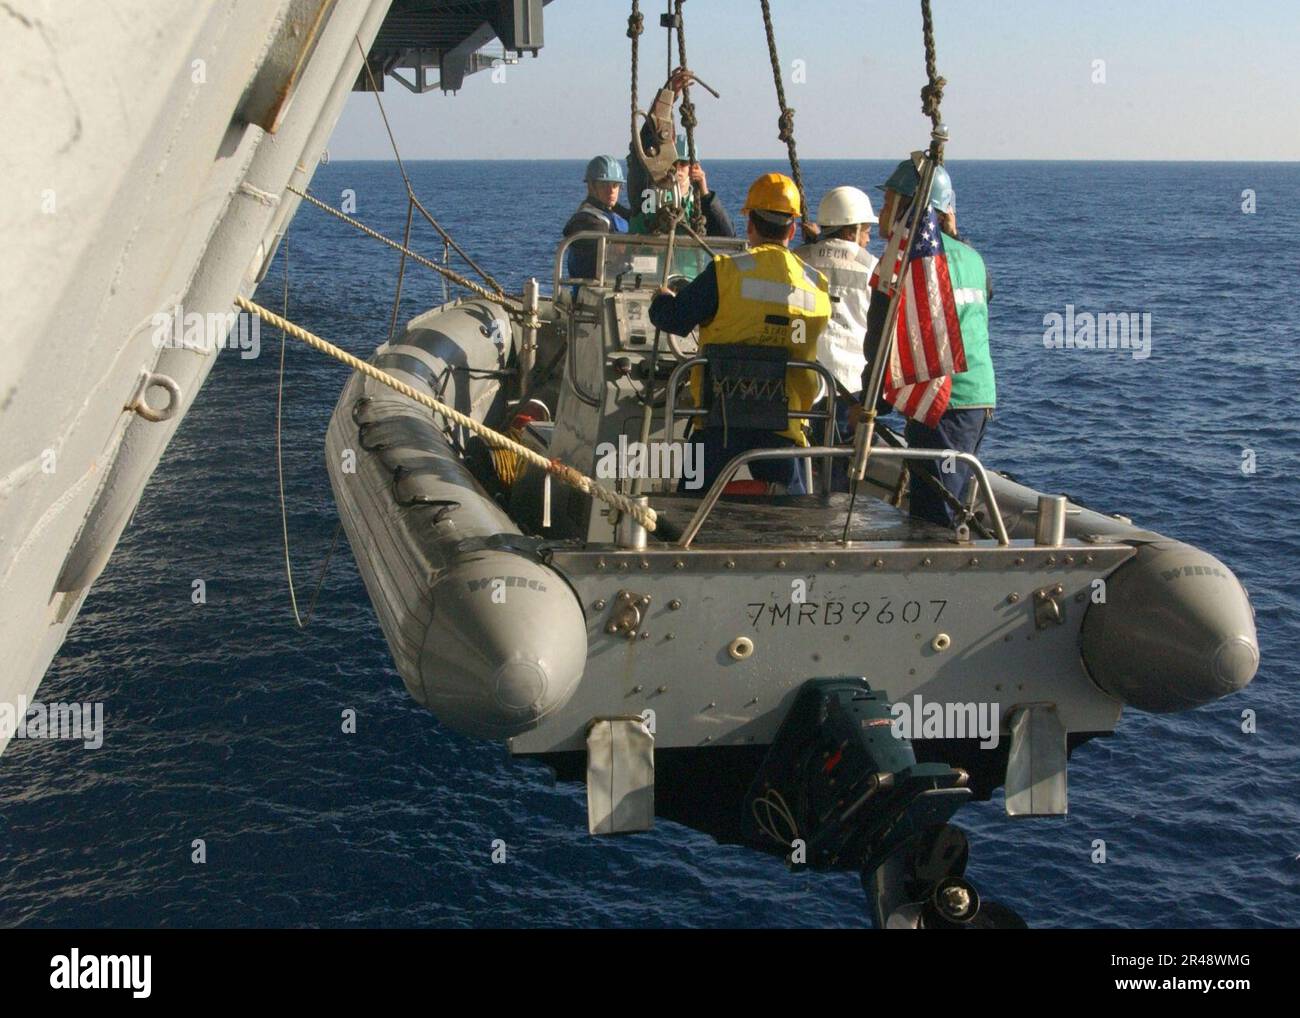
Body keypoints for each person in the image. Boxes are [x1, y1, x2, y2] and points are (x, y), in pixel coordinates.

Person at [649, 173, 830, 494]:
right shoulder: (817, 286)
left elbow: (674, 320)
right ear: (792, 228)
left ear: (750, 224)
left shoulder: (725, 272)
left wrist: (661, 299)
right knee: (795, 510)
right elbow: (805, 343)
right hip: (784, 426)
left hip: (718, 422)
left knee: (689, 502)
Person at [872, 158, 996, 526]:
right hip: (977, 399)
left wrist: (870, 406)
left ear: (910, 208)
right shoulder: (974, 259)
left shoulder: (899, 265)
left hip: (940, 403)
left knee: (934, 513)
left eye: (889, 203)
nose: (882, 213)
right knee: (947, 495)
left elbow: (877, 346)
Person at [794, 186, 879, 488]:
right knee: (840, 468)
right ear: (853, 230)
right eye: (867, 231)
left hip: (802, 381)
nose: (868, 239)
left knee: (801, 458)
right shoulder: (872, 266)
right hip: (850, 387)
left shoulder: (797, 258)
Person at [627, 69, 735, 237]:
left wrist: (705, 194)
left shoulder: (697, 206)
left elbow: (727, 235)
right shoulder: (647, 194)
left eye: (683, 164)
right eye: (673, 163)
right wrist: (668, 95)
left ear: (694, 168)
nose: (676, 169)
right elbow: (646, 141)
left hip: (687, 264)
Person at [562, 155, 632, 280]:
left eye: (615, 185)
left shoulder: (614, 214)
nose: (611, 191)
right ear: (591, 187)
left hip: (618, 281)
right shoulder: (585, 220)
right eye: (605, 185)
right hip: (592, 289)